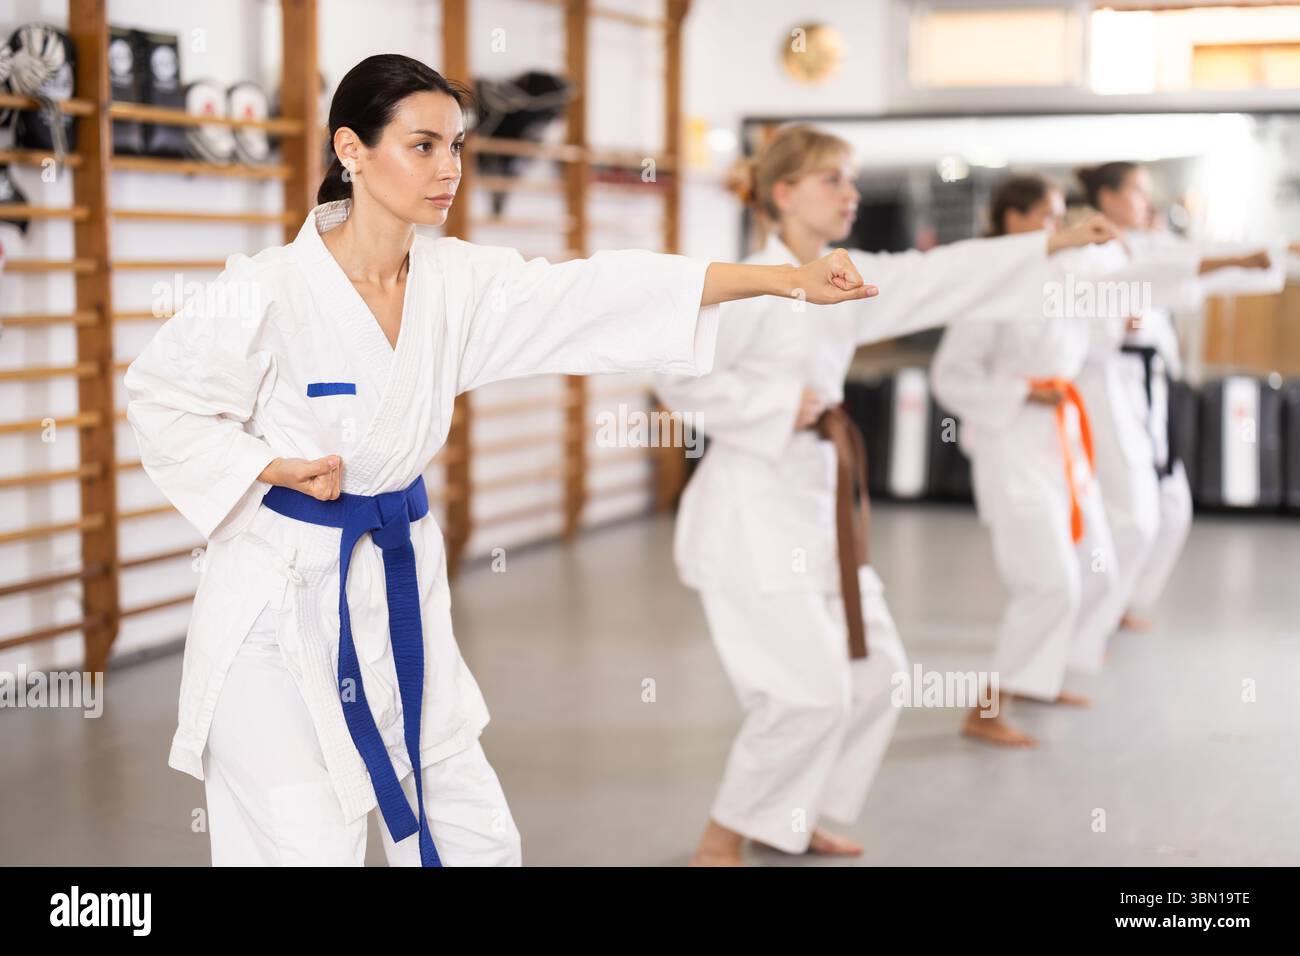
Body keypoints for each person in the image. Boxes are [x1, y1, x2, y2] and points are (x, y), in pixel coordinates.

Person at [123, 55, 877, 867]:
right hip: (276, 609)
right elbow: (162, 399)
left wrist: (780, 280)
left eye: (457, 146)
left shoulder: (455, 281)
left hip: (397, 584)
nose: (449, 169)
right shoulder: (268, 288)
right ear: (350, 148)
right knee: (303, 841)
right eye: (423, 146)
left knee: (476, 834)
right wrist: (267, 466)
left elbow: (597, 293)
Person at [654, 125, 1118, 866]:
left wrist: (1050, 246)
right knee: (808, 694)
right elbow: (673, 373)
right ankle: (723, 838)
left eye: (853, 180)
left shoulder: (846, 273)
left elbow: (939, 276)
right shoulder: (745, 281)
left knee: (879, 676)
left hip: (821, 501)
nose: (852, 194)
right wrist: (778, 401)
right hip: (751, 513)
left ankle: (792, 819)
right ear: (783, 193)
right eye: (834, 179)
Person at [931, 174, 1127, 748]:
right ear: (1012, 220)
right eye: (1047, 215)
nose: (1055, 227)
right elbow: (951, 377)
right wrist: (1021, 390)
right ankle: (987, 709)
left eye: (1059, 215)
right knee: (1048, 582)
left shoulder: (1061, 274)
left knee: (1098, 569)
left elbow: (1103, 316)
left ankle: (1042, 677)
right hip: (1010, 444)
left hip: (1060, 437)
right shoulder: (990, 285)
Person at [1073, 162, 1276, 628]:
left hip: (1147, 386)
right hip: (1107, 382)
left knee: (1170, 507)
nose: (1148, 203)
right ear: (1107, 197)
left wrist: (1264, 257)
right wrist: (1238, 262)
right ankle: (1094, 615)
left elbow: (1188, 268)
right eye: (1138, 192)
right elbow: (1180, 268)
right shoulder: (1094, 248)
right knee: (1131, 514)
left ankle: (1117, 603)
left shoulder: (1141, 243)